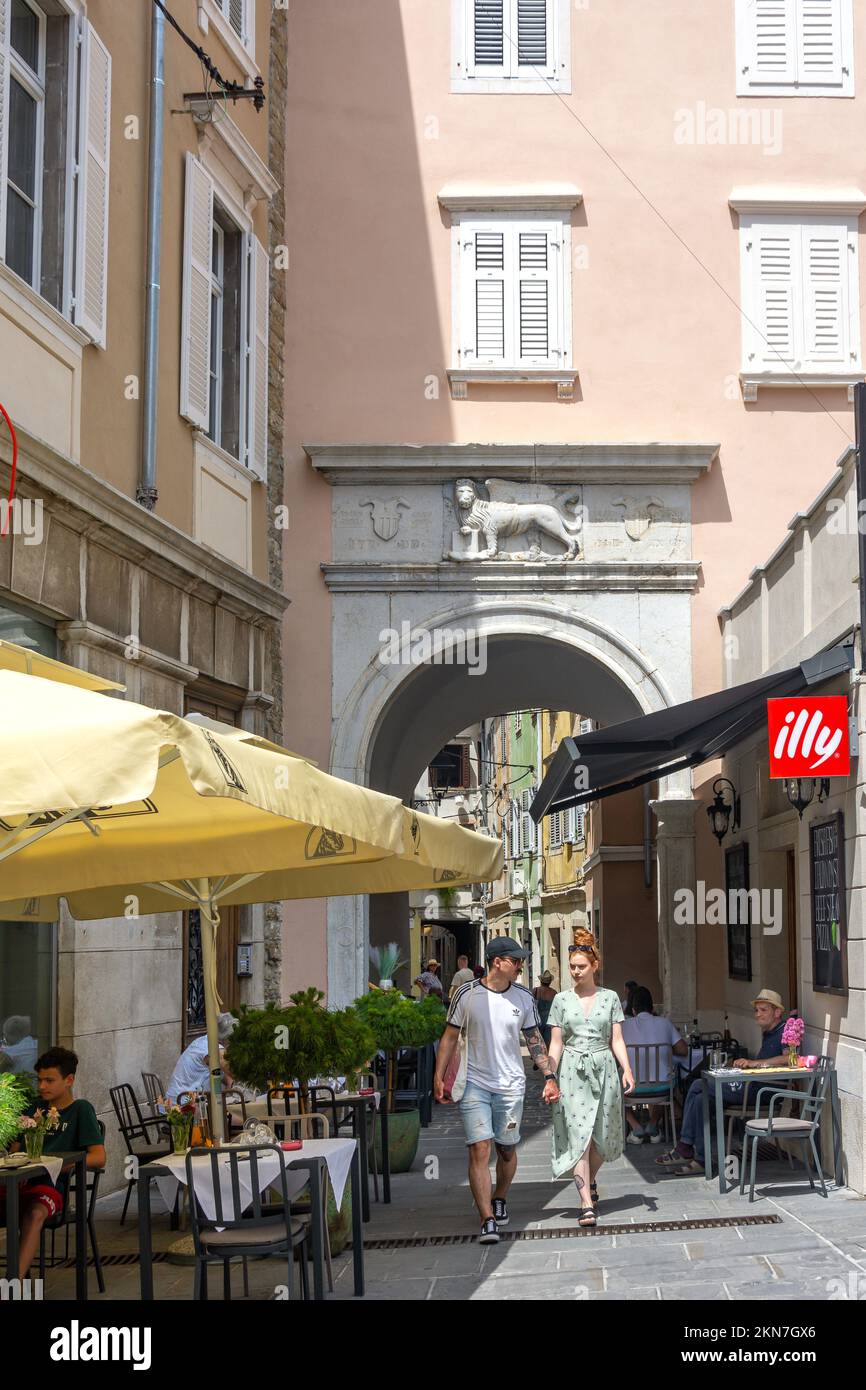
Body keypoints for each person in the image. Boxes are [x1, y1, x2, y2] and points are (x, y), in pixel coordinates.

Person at [433, 936, 559, 1244]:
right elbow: (449, 1037)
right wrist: (438, 1076)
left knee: (506, 1148)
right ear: (497, 962)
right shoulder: (467, 994)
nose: (520, 966)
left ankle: (500, 1196)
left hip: (512, 1085)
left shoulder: (523, 998)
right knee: (480, 1148)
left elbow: (534, 1039)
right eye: (516, 961)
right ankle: (487, 1217)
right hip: (474, 1082)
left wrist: (550, 1075)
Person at [545, 932, 635, 1225]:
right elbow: (556, 1042)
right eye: (572, 966)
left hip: (604, 1068)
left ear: (594, 966)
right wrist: (550, 1074)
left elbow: (617, 1039)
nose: (576, 971)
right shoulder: (560, 999)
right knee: (578, 1137)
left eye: (581, 966)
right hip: (572, 1070)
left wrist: (627, 1069)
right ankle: (586, 1203)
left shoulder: (609, 998)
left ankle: (590, 1179)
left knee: (601, 1137)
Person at [655, 988, 788, 1174]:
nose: (758, 1014)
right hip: (751, 1086)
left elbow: (788, 1059)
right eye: (757, 1010)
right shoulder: (768, 1032)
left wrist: (753, 1063)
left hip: (761, 1092)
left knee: (696, 1084)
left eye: (763, 1010)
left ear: (777, 1012)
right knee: (701, 1099)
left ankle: (685, 1146)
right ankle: (700, 1160)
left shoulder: (787, 1029)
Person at [2, 1046, 105, 1279]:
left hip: (50, 1187)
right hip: (15, 1185)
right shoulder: (31, 1108)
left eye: (49, 1080)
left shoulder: (80, 1110)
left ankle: (13, 1284)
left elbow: (99, 1157)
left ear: (69, 1080)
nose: (41, 1087)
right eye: (39, 1080)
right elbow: (15, 1150)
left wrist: (62, 1164)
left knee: (35, 1213)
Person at [621, 986, 688, 1143]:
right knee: (666, 1077)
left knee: (612, 1089)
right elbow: (683, 1050)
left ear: (633, 1009)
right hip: (662, 1088)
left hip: (631, 1088)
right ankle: (653, 1124)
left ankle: (635, 1127)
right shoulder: (664, 1023)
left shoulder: (623, 1026)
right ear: (652, 1008)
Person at [166, 1011, 237, 1102]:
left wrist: (228, 1082)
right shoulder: (213, 1049)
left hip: (175, 1097)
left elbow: (218, 1072)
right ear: (227, 1038)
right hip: (182, 1102)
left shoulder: (202, 1041)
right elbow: (231, 1070)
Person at [532, 970, 557, 1050]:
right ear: (550, 982)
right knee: (548, 1040)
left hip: (537, 1018)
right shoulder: (554, 992)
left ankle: (538, 1058)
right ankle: (547, 1058)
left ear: (541, 981)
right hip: (549, 1020)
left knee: (538, 1040)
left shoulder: (536, 990)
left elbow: (530, 1004)